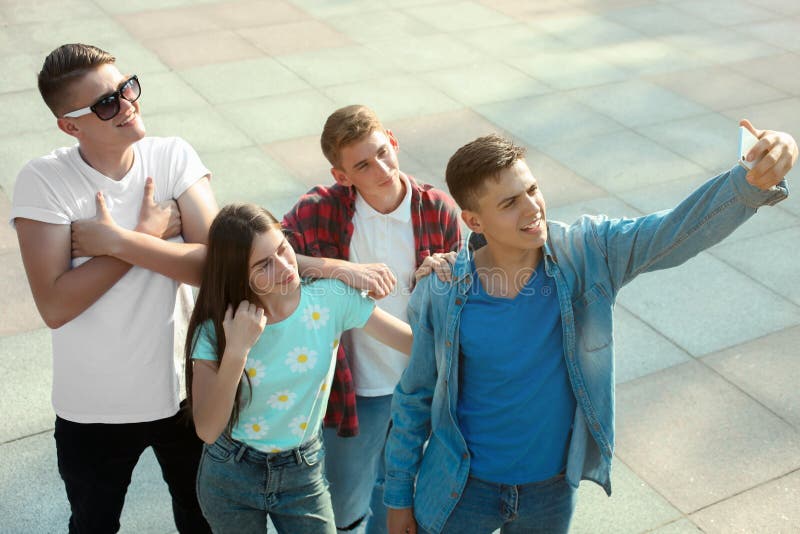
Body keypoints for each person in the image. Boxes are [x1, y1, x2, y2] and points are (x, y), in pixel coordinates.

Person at [384, 123, 798, 534]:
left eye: (532, 189)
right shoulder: (442, 291)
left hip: (550, 490)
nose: (532, 208)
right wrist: (398, 496)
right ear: (474, 221)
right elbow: (415, 396)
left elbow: (673, 231)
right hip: (461, 488)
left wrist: (748, 181)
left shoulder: (588, 253)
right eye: (509, 202)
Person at [10, 43, 218, 533]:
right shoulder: (44, 180)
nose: (127, 104)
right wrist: (148, 236)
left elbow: (215, 268)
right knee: (93, 525)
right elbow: (56, 305)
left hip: (186, 394)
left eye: (127, 88)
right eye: (107, 103)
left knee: (204, 521)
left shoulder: (172, 156)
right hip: (94, 408)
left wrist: (120, 242)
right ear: (70, 126)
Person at [281, 104, 461, 533]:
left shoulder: (437, 209)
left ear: (393, 141)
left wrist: (448, 271)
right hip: (354, 388)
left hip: (421, 380)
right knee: (343, 501)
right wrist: (339, 269)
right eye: (363, 164)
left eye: (383, 152)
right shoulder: (319, 209)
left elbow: (464, 289)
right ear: (341, 175)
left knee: (401, 493)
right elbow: (268, 256)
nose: (381, 168)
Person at [186, 203, 413, 534]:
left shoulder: (331, 298)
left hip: (302, 470)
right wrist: (237, 350)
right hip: (231, 472)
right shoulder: (215, 328)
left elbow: (414, 344)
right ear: (238, 273)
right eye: (264, 264)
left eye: (282, 248)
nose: (284, 266)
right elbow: (207, 430)